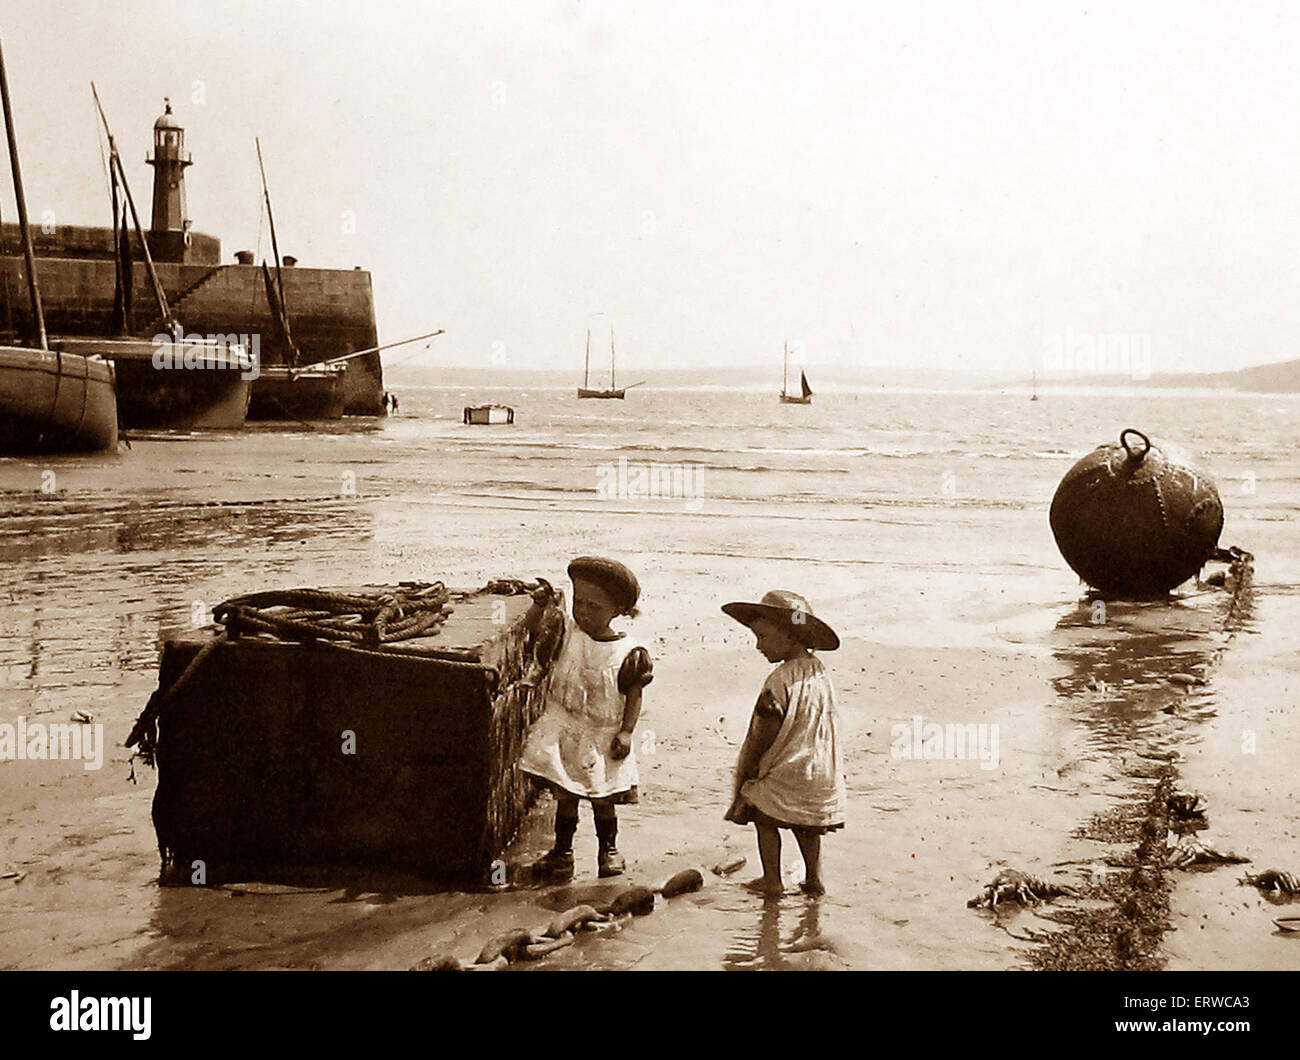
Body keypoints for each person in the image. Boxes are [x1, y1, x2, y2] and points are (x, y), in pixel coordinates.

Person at [520, 556, 653, 881]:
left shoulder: (629, 652)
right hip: (565, 727)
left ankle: (608, 850)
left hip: (602, 735)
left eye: (593, 606)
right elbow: (534, 629)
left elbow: (634, 695)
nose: (583, 612)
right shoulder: (567, 632)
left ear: (617, 611)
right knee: (565, 797)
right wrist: (540, 606)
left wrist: (626, 732)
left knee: (602, 798)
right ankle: (562, 853)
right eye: (579, 603)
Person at [722, 589, 845, 897]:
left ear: (790, 636)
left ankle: (772, 880)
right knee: (807, 827)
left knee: (764, 817)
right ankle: (814, 880)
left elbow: (764, 732)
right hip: (817, 770)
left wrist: (749, 770)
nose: (758, 645)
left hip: (788, 771)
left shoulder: (780, 679)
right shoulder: (819, 671)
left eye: (763, 637)